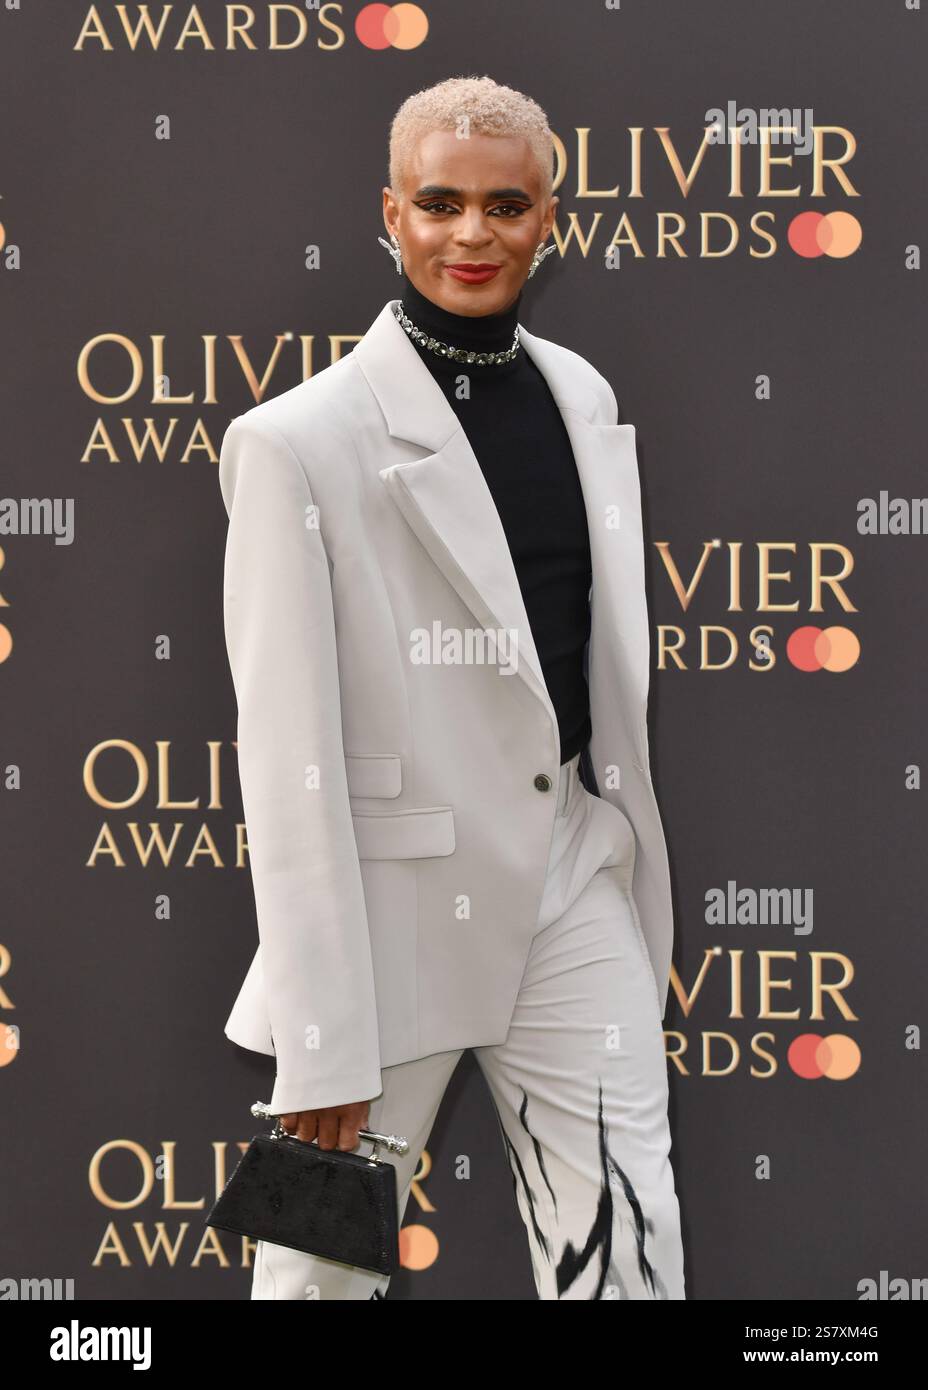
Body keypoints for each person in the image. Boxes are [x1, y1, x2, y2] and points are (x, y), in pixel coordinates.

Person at [218, 74, 685, 1300]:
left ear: (549, 218)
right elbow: (285, 755)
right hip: (389, 919)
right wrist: (321, 1034)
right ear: (389, 213)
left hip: (572, 878)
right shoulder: (296, 441)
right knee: (312, 1276)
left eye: (504, 204)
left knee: (630, 1252)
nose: (470, 233)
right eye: (438, 203)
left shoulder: (582, 397)